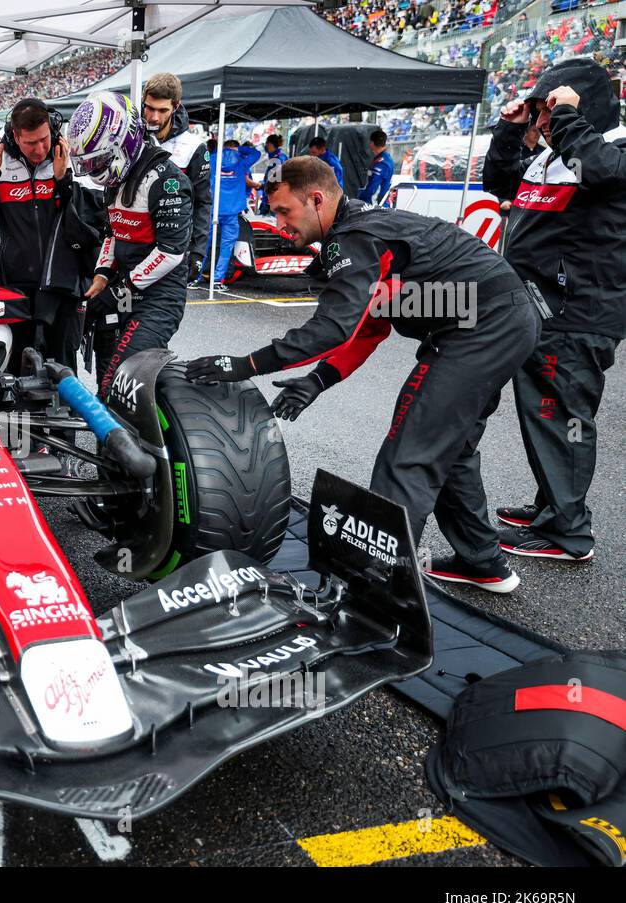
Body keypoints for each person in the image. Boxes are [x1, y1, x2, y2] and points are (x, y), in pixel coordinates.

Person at [185, 157, 538, 593]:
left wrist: (245, 365)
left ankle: (377, 589)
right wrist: (317, 381)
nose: (278, 223)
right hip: (494, 318)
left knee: (409, 451)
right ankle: (482, 562)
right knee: (451, 447)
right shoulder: (361, 232)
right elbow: (368, 325)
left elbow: (332, 327)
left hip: (484, 323)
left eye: (282, 211)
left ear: (316, 199)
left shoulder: (352, 239)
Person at [481, 58, 625, 562]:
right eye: (541, 113)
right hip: (542, 310)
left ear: (582, 106)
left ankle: (567, 530)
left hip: (578, 312)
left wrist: (565, 116)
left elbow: (602, 172)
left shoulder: (611, 150)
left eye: (549, 112)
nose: (542, 122)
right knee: (546, 415)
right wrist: (509, 128)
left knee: (562, 416)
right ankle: (553, 506)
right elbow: (498, 181)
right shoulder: (555, 155)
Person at [67, 91, 193, 394]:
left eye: (99, 159)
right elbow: (113, 233)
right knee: (106, 376)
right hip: (124, 289)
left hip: (158, 297)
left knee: (125, 380)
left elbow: (171, 252)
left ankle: (146, 440)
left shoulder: (166, 181)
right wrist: (102, 275)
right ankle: (110, 442)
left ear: (124, 142)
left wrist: (120, 289)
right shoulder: (118, 180)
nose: (96, 169)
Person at [0, 98, 87, 371]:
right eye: (31, 143)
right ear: (15, 136)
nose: (40, 148)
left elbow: (86, 220)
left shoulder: (68, 153)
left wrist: (63, 180)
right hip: (16, 284)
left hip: (62, 283)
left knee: (62, 368)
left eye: (44, 139)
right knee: (18, 366)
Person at [141, 72, 211, 281]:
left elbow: (202, 201)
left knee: (162, 311)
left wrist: (198, 252)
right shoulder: (133, 137)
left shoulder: (193, 146)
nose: (154, 117)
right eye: (149, 108)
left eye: (162, 110)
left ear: (176, 107)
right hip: (134, 244)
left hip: (171, 249)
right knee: (125, 310)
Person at [204, 137, 261, 288]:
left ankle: (195, 276)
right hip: (232, 211)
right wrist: (238, 151)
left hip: (213, 208)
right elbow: (256, 153)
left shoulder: (213, 158)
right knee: (226, 247)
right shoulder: (241, 161)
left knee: (204, 244)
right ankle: (217, 279)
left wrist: (224, 151)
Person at [359, 128, 394, 205]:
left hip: (376, 205)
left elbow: (373, 188)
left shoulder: (381, 163)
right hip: (380, 202)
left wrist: (360, 197)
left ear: (372, 143)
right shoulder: (386, 158)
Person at [257, 134, 287, 215]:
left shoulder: (276, 159)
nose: (265, 146)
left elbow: (274, 183)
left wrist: (261, 186)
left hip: (273, 200)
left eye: (266, 143)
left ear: (269, 144)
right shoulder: (280, 156)